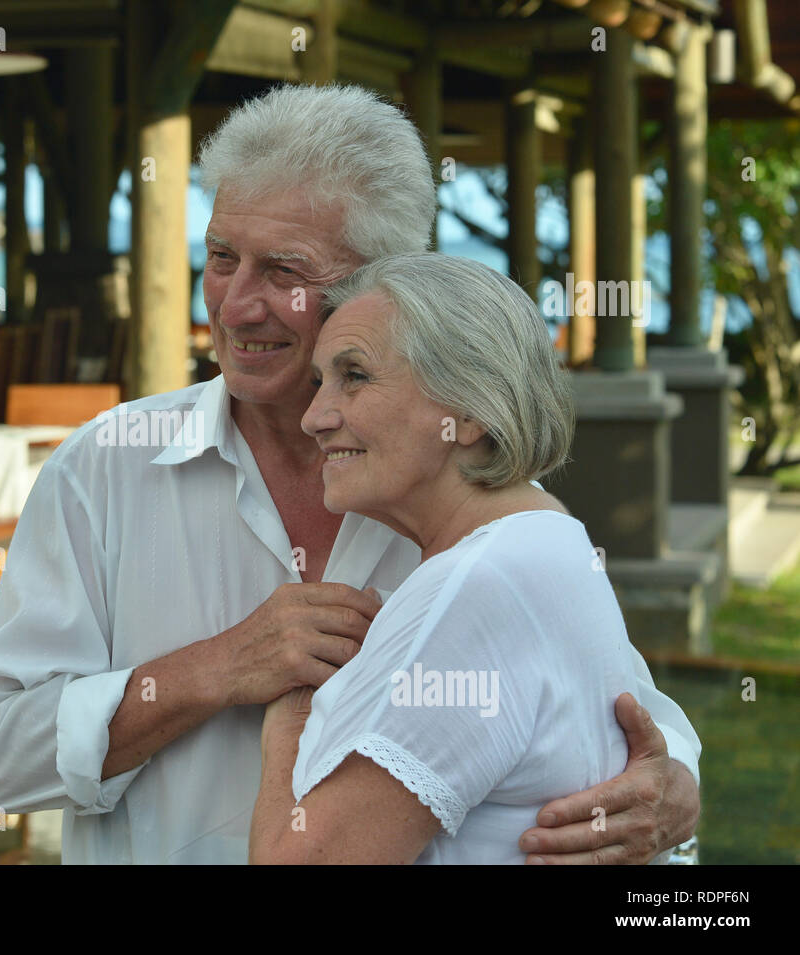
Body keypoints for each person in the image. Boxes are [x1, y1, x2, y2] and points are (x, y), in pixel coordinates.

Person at [0, 83, 701, 864]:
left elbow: (622, 707)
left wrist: (676, 787)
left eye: (284, 271)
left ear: (381, 283)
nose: (237, 306)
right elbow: (1, 757)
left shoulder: (479, 496)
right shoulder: (101, 469)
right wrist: (213, 669)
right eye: (220, 259)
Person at [251, 252, 663, 863]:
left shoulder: (478, 585)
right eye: (320, 383)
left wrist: (289, 719)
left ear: (468, 411)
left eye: (355, 376)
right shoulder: (546, 537)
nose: (315, 417)